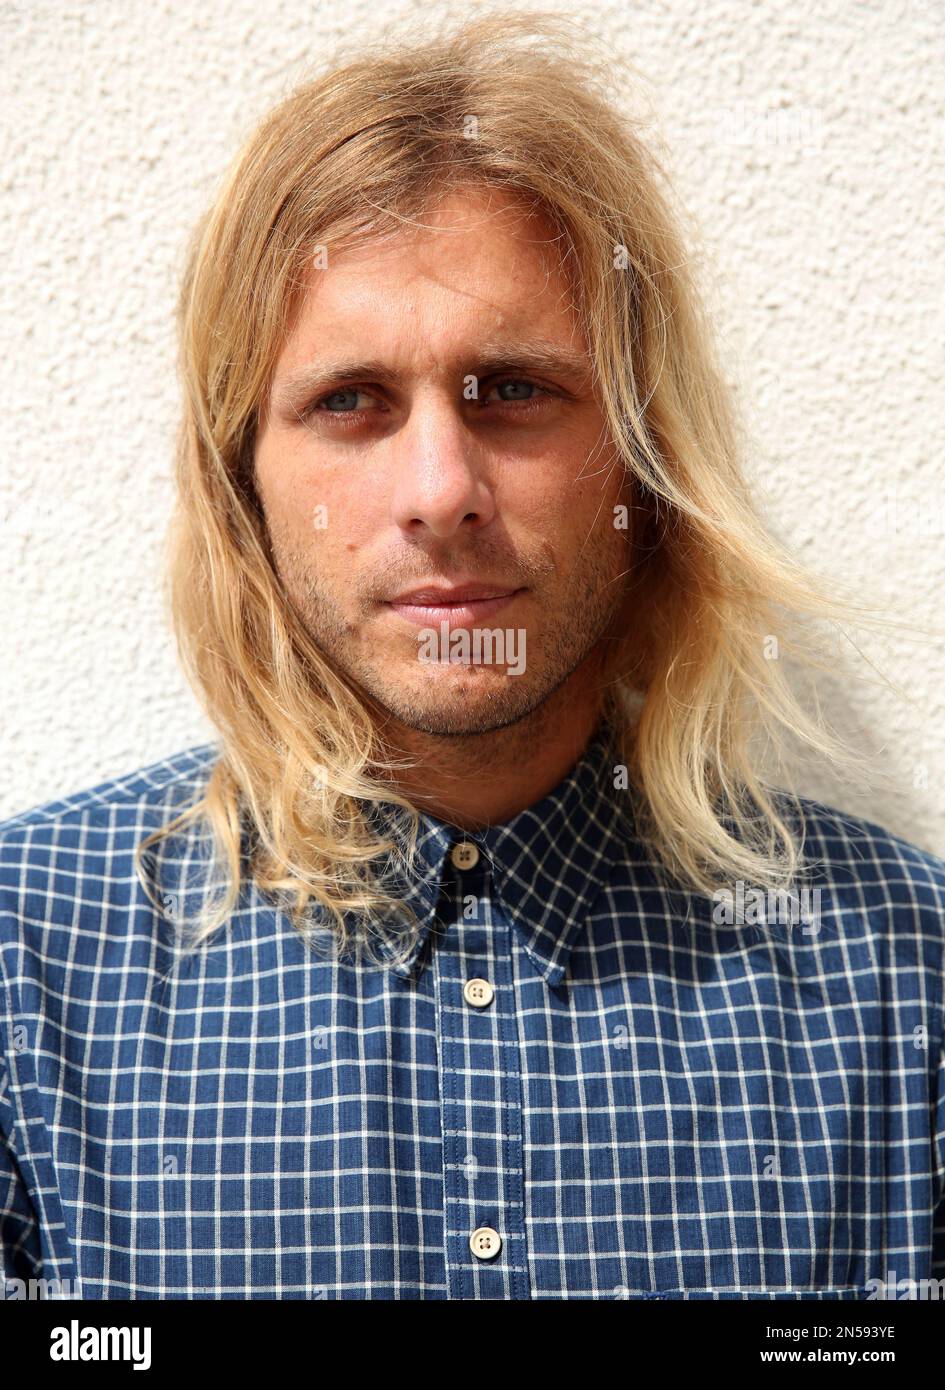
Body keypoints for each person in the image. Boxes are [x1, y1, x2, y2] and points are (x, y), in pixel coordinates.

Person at [1, 15, 942, 1301]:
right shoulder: (28, 972)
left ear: (647, 469)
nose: (440, 490)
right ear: (243, 486)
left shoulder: (902, 987)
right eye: (350, 402)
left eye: (511, 390)